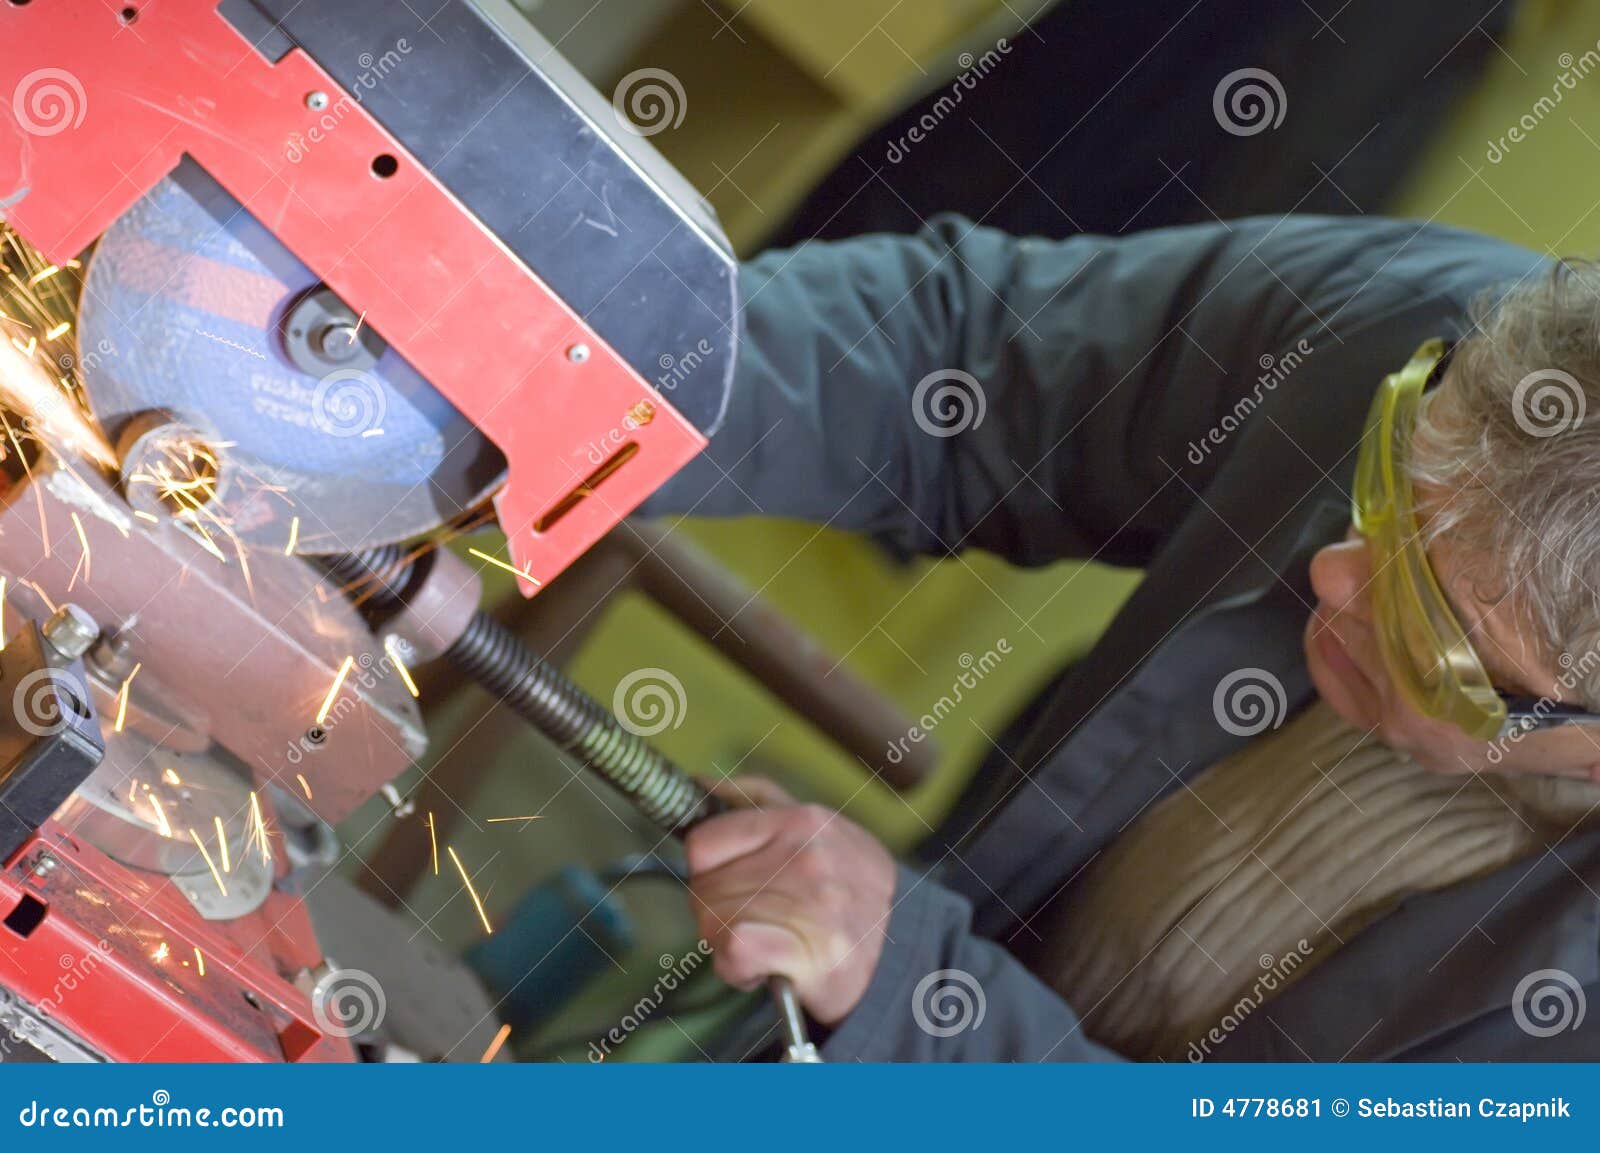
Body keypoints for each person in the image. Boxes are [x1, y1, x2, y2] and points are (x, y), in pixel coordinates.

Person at [647, 214, 1600, 1060]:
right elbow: (958, 354)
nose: (1331, 570)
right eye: (1388, 480)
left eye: (1428, 625)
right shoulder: (1418, 324)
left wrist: (916, 999)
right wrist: (566, 400)